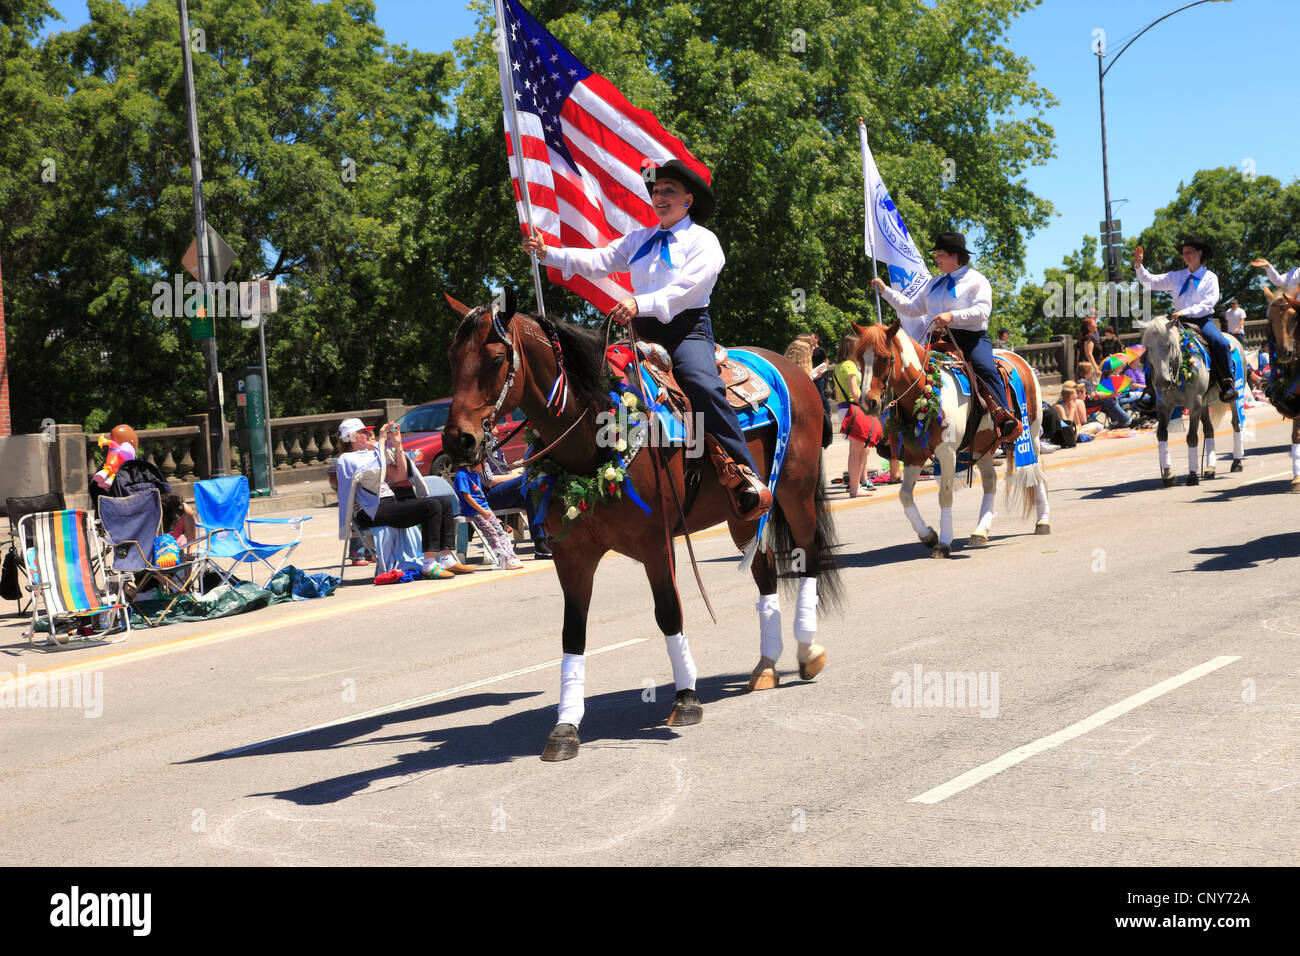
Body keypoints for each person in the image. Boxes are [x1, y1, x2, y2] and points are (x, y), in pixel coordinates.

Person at [522, 159, 771, 522]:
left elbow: (686, 291)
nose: (659, 196)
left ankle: (746, 473)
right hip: (640, 333)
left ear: (689, 199)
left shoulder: (704, 242)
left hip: (686, 332)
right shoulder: (641, 239)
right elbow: (601, 260)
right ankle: (607, 474)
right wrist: (549, 254)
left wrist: (638, 302)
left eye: (669, 190)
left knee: (702, 384)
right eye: (656, 191)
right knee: (597, 384)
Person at [872, 231, 1021, 441]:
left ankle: (1003, 416)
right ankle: (898, 427)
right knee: (908, 371)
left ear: (955, 256)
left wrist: (952, 316)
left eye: (940, 254)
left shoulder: (976, 280)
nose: (937, 259)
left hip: (971, 339)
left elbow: (982, 311)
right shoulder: (934, 284)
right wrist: (886, 291)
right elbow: (912, 309)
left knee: (985, 368)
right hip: (938, 341)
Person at [332, 417, 472, 578]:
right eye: (362, 432)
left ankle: (446, 558)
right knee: (431, 506)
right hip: (369, 511)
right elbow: (374, 470)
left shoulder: (372, 453)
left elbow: (401, 475)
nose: (368, 434)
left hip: (387, 505)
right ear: (350, 437)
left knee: (444, 502)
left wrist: (397, 445)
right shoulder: (346, 460)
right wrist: (382, 442)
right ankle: (429, 563)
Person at [1134, 235, 1235, 409]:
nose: (1186, 255)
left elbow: (1208, 304)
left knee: (1220, 343)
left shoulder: (1210, 278)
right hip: (1177, 322)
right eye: (1184, 253)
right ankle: (1150, 390)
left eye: (1189, 252)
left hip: (1202, 321)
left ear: (1200, 253)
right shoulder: (1176, 276)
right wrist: (1139, 266)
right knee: (1150, 349)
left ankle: (1227, 383)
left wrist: (1185, 311)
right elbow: (1150, 281)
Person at [455, 461, 523, 570]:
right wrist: (482, 510)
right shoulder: (462, 475)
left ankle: (511, 556)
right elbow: (467, 497)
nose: (486, 465)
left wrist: (486, 509)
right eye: (483, 462)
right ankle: (503, 559)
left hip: (485, 507)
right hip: (474, 509)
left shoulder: (475, 473)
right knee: (490, 532)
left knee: (499, 530)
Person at [1076, 361, 1132, 429]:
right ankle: (1126, 420)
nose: (1092, 371)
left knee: (1111, 398)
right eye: (1091, 369)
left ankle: (1116, 421)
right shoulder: (1084, 382)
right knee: (1110, 400)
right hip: (1086, 404)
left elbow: (1095, 391)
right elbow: (1094, 397)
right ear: (1086, 371)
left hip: (1087, 402)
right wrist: (1110, 395)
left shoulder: (1083, 380)